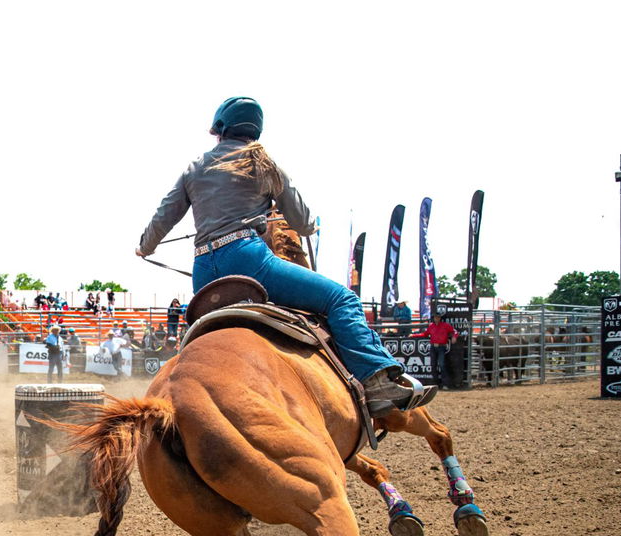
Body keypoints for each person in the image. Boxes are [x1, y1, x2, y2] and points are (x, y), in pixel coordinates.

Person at [135, 96, 435, 416]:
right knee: (341, 299)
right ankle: (375, 380)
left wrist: (145, 247)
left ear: (219, 129)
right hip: (248, 259)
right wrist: (306, 225)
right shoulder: (263, 164)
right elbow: (302, 223)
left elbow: (164, 216)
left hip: (204, 271)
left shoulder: (194, 168)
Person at [413, 312, 459, 389]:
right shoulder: (431, 326)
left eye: (438, 317)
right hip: (433, 347)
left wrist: (454, 336)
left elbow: (455, 331)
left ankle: (445, 384)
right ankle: (436, 384)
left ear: (440, 318)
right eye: (435, 317)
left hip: (441, 346)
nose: (436, 319)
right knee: (433, 365)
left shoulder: (445, 325)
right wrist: (414, 335)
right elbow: (425, 334)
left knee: (441, 364)